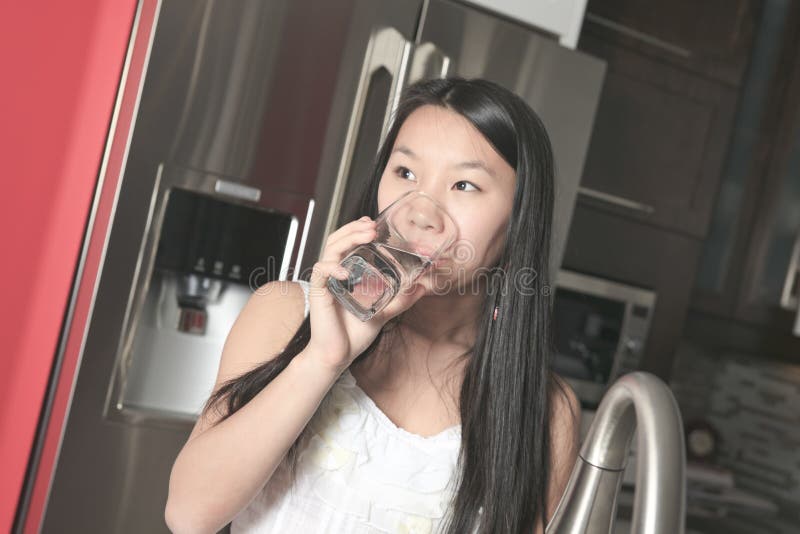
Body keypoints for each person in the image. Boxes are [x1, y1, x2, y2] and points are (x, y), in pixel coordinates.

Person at [165, 77, 580, 534]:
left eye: (464, 184)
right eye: (405, 173)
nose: (421, 211)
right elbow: (189, 516)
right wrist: (324, 359)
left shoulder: (543, 410)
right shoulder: (284, 313)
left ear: (521, 216)